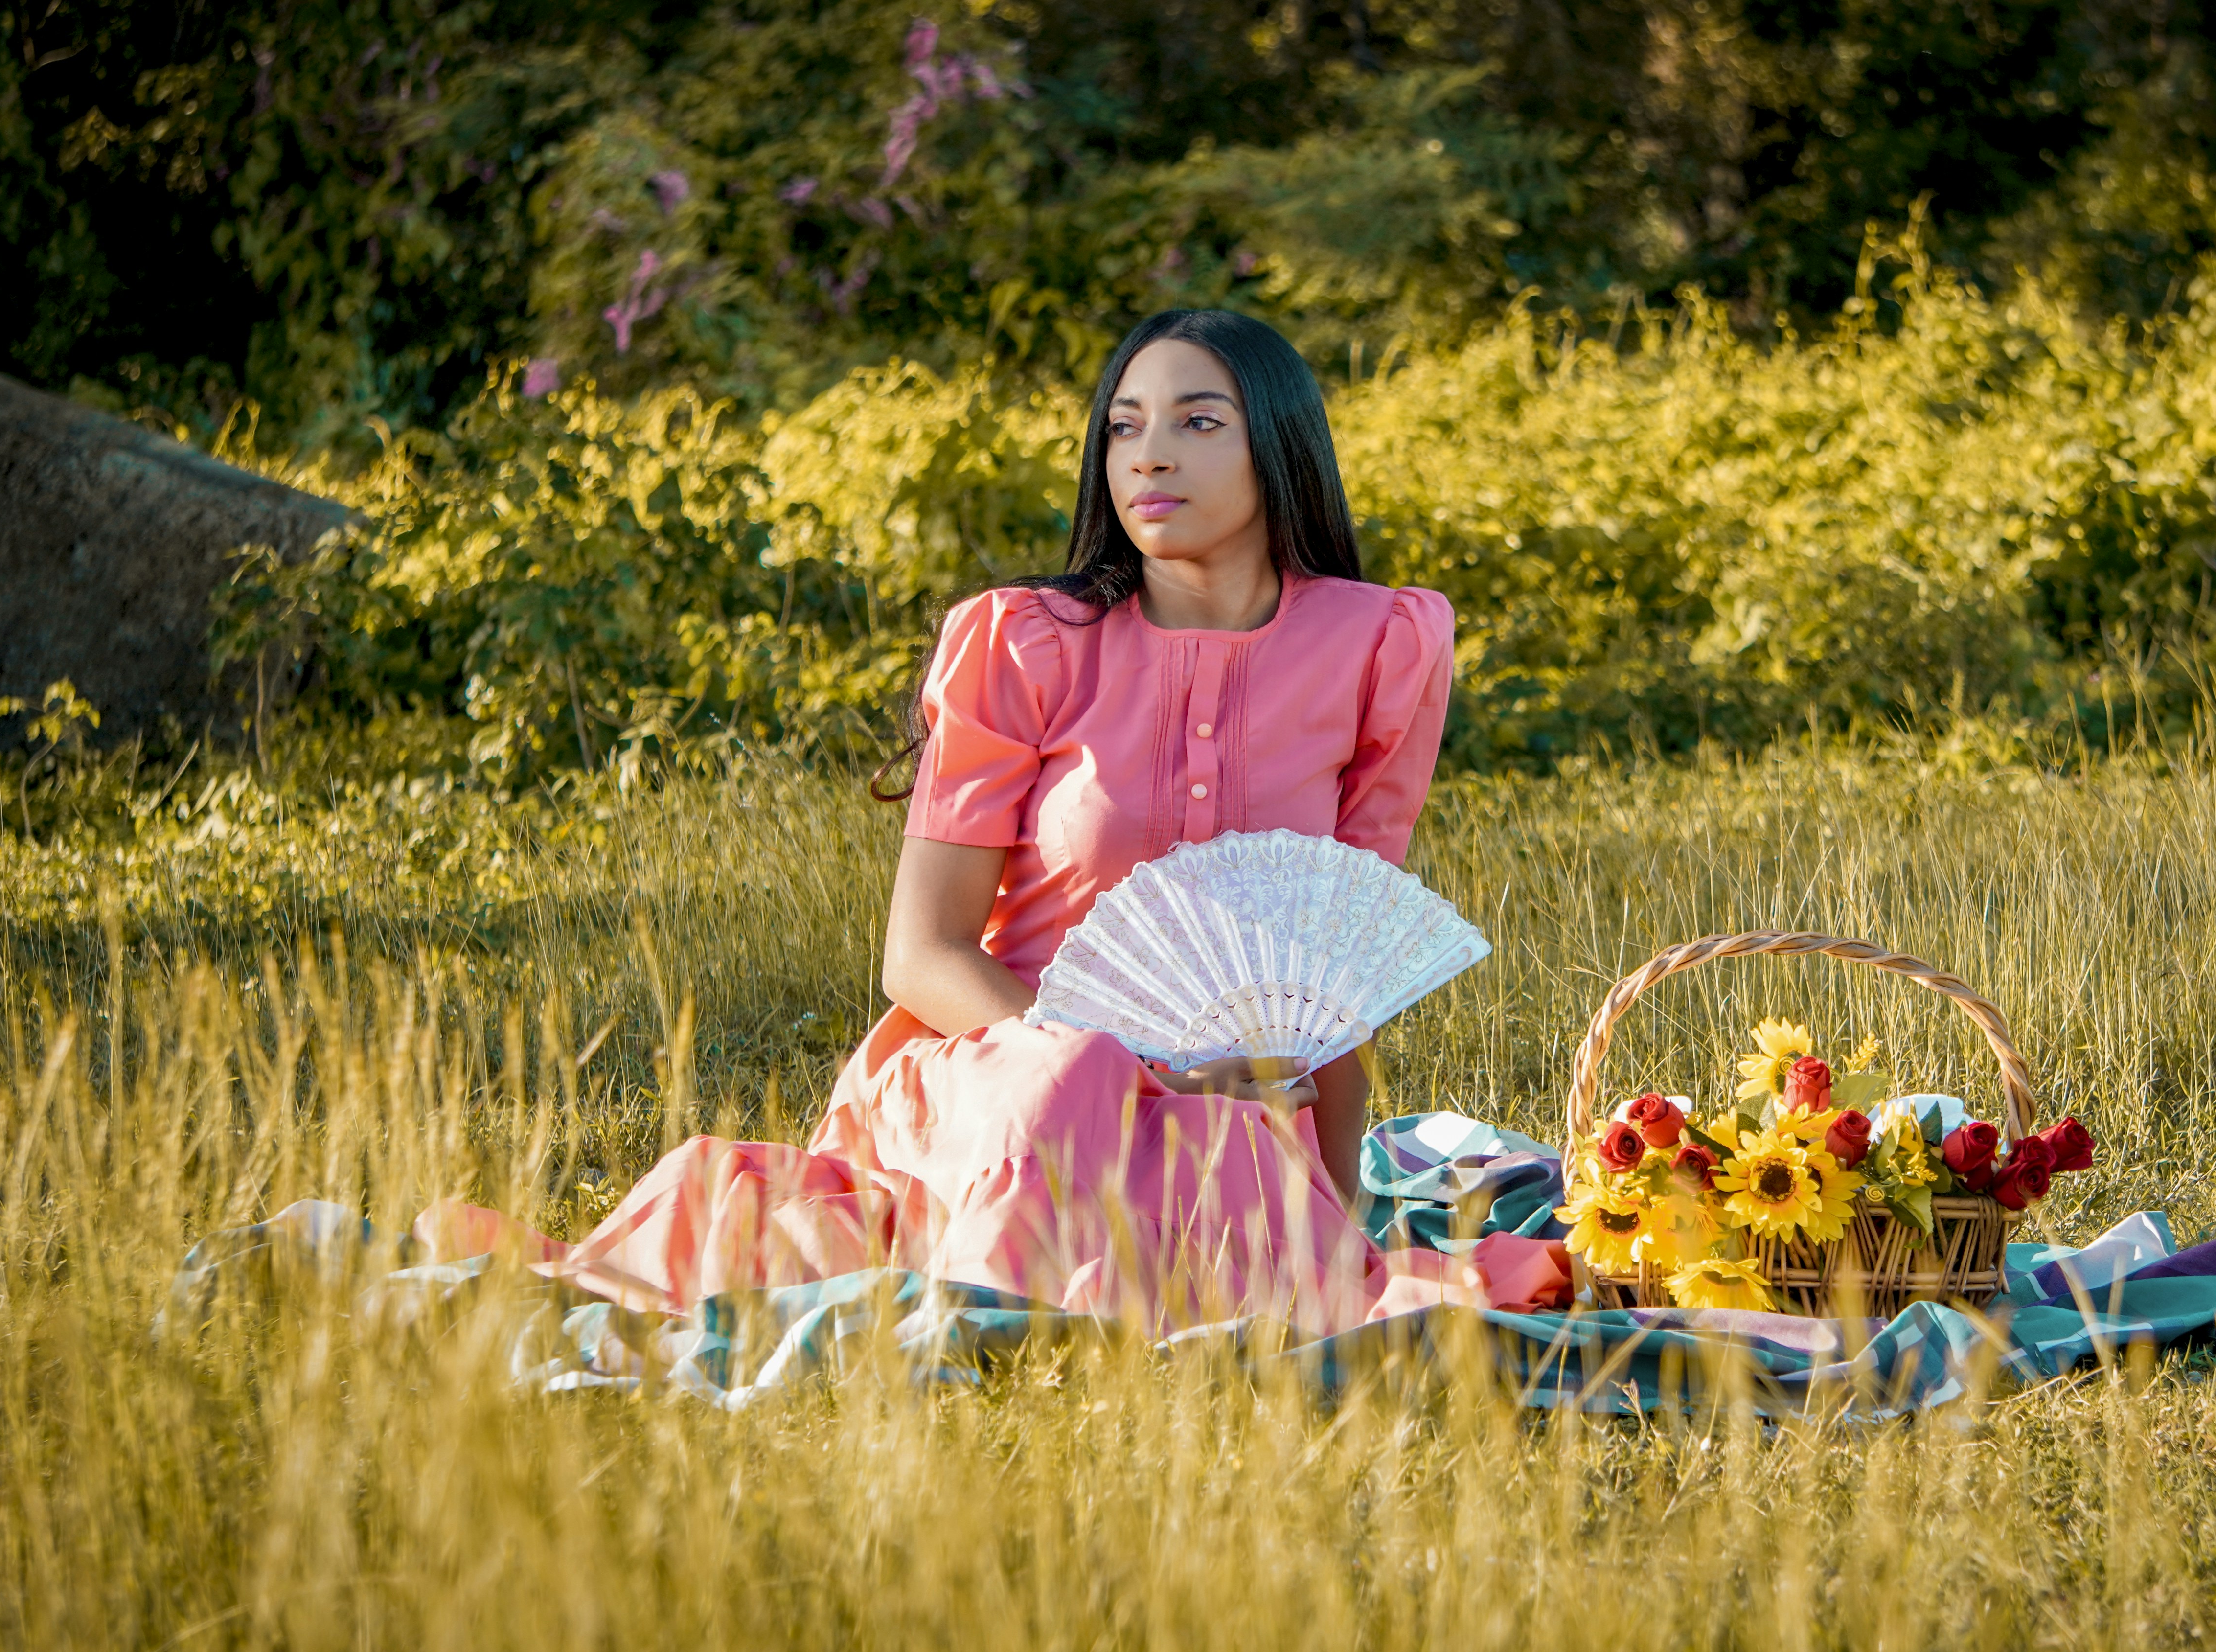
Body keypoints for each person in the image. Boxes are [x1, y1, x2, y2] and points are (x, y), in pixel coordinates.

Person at [424, 311, 1568, 1335]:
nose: (1150, 453)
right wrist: (1125, 1065)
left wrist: (1342, 1215)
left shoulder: (1379, 646)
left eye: (1196, 421)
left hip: (1231, 1100)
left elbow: (1337, 974)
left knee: (1239, 1164)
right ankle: (1000, 1305)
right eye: (1123, 426)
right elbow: (920, 954)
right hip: (995, 1068)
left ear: (1279, 443)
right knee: (1066, 1084)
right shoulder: (1028, 641)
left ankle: (1125, 1288)